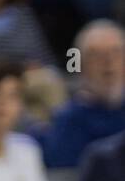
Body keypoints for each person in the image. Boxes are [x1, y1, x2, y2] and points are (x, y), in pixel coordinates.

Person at [44, 20, 125, 169]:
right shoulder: (68, 120)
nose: (108, 62)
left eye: (116, 52)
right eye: (97, 55)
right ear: (81, 65)